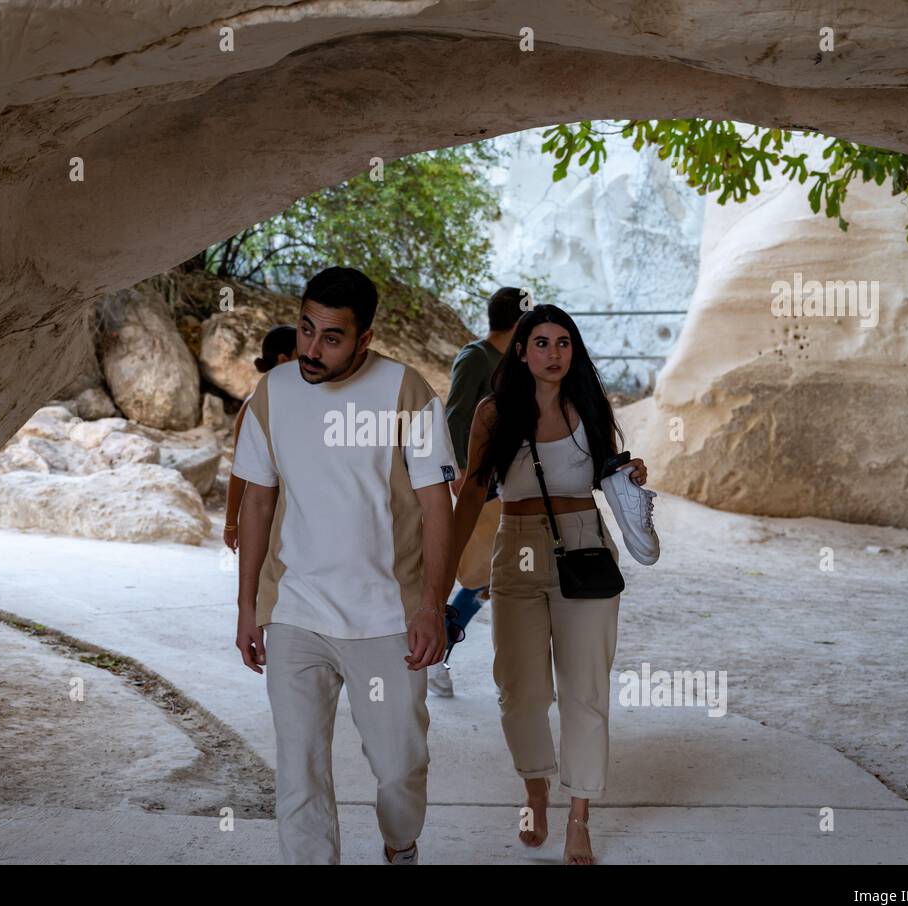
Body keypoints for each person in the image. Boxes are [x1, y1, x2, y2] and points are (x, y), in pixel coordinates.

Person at [231, 266, 459, 865]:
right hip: (295, 613)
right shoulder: (273, 393)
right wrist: (248, 606)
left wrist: (432, 605)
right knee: (299, 772)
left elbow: (439, 506)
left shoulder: (407, 393)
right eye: (306, 329)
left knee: (400, 769)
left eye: (331, 337)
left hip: (387, 619)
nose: (311, 348)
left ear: (364, 338)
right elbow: (257, 500)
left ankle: (399, 842)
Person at [450, 304, 650, 865]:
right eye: (541, 342)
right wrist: (439, 569)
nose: (554, 353)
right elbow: (471, 492)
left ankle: (579, 819)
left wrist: (631, 476)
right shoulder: (494, 413)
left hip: (584, 545)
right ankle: (535, 792)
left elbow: (608, 475)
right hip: (514, 544)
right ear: (520, 351)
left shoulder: (589, 406)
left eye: (564, 342)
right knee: (520, 690)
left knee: (585, 690)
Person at [431, 287, 526, 698]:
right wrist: (460, 470)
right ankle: (437, 651)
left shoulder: (516, 362)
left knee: (504, 576)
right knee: (481, 576)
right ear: (519, 320)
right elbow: (454, 413)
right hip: (481, 480)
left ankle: (522, 671)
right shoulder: (475, 357)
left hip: (513, 480)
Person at [224, 325, 298, 551]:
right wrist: (230, 523)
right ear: (284, 360)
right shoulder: (254, 405)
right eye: (301, 356)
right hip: (265, 515)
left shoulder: (305, 403)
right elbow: (240, 470)